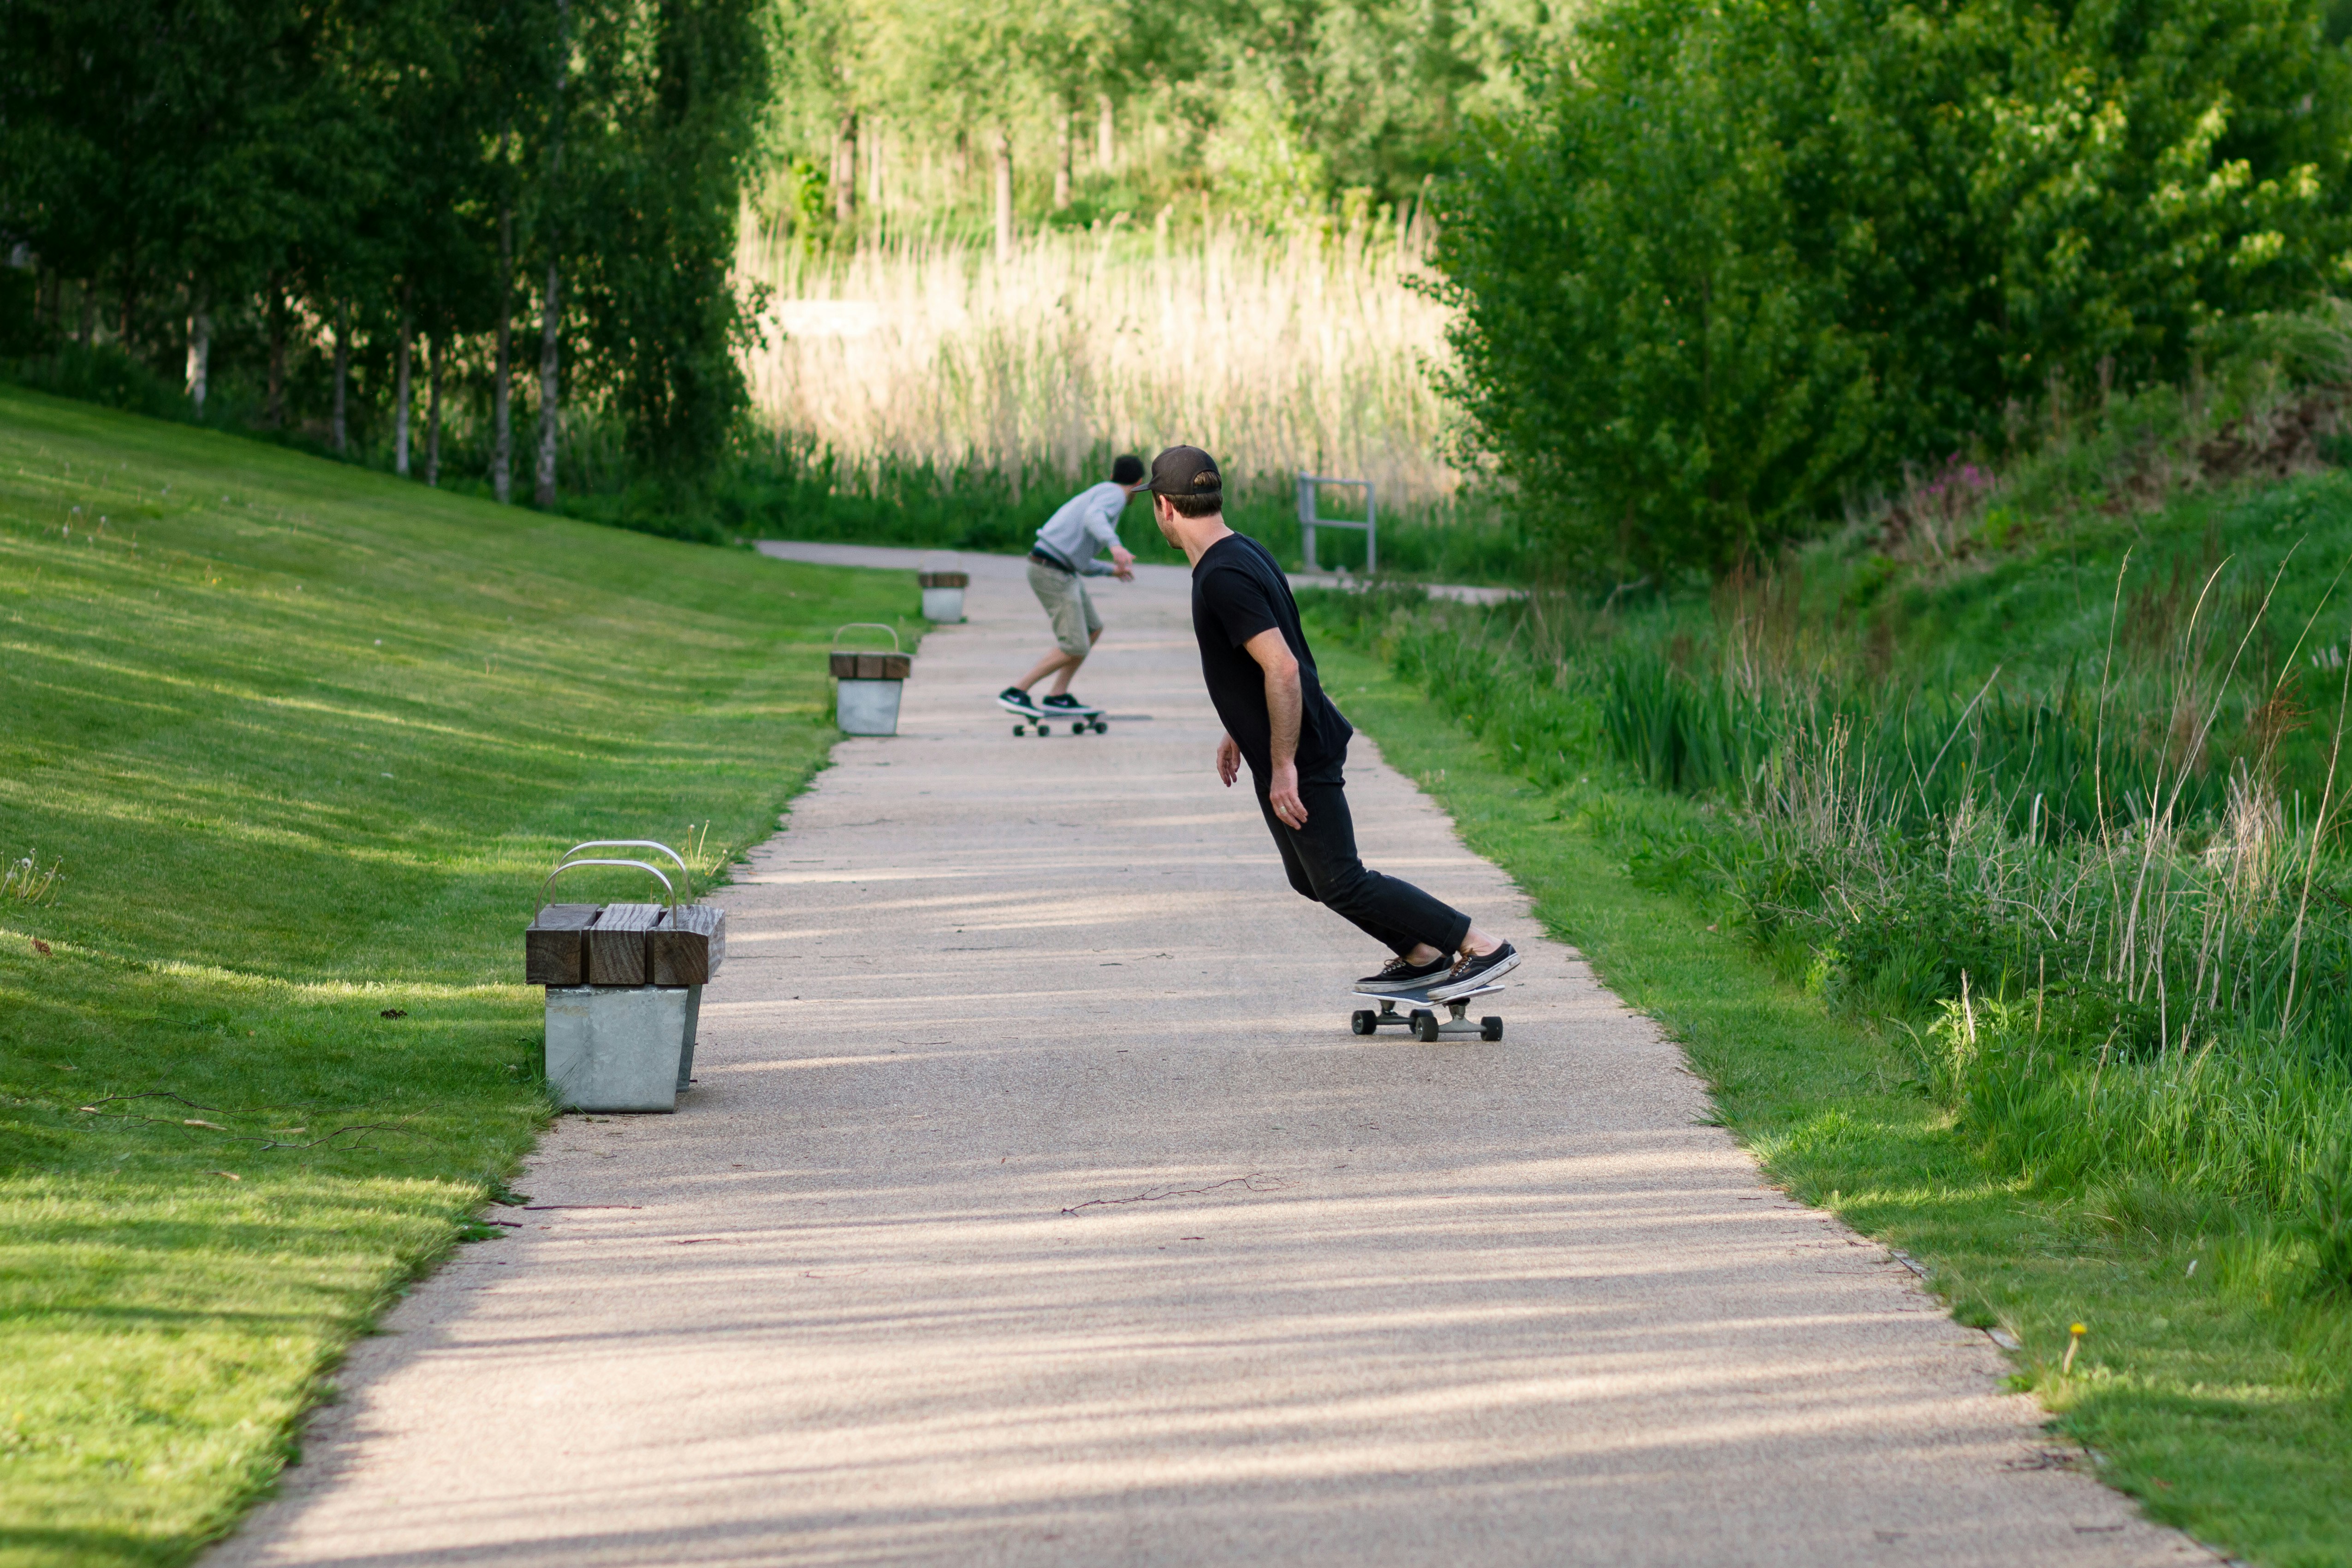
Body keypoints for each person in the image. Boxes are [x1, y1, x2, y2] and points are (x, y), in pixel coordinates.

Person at [1145, 444, 1520, 1000]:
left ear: (1165, 507)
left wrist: (1282, 764)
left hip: (1300, 749)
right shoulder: (1243, 551)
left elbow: (1285, 668)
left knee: (1342, 879)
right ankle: (1421, 954)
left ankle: (1479, 944)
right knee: (1310, 878)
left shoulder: (1222, 575)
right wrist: (1237, 725)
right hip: (1286, 740)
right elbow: (1268, 658)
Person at [999, 455, 1145, 716]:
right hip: (1051, 571)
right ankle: (1017, 691)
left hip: (1058, 567)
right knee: (1075, 644)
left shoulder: (1101, 491)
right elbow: (1094, 518)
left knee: (1092, 629)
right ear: (1139, 483)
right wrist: (1115, 545)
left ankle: (1058, 695)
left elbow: (1079, 559)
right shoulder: (1115, 496)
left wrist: (1112, 571)